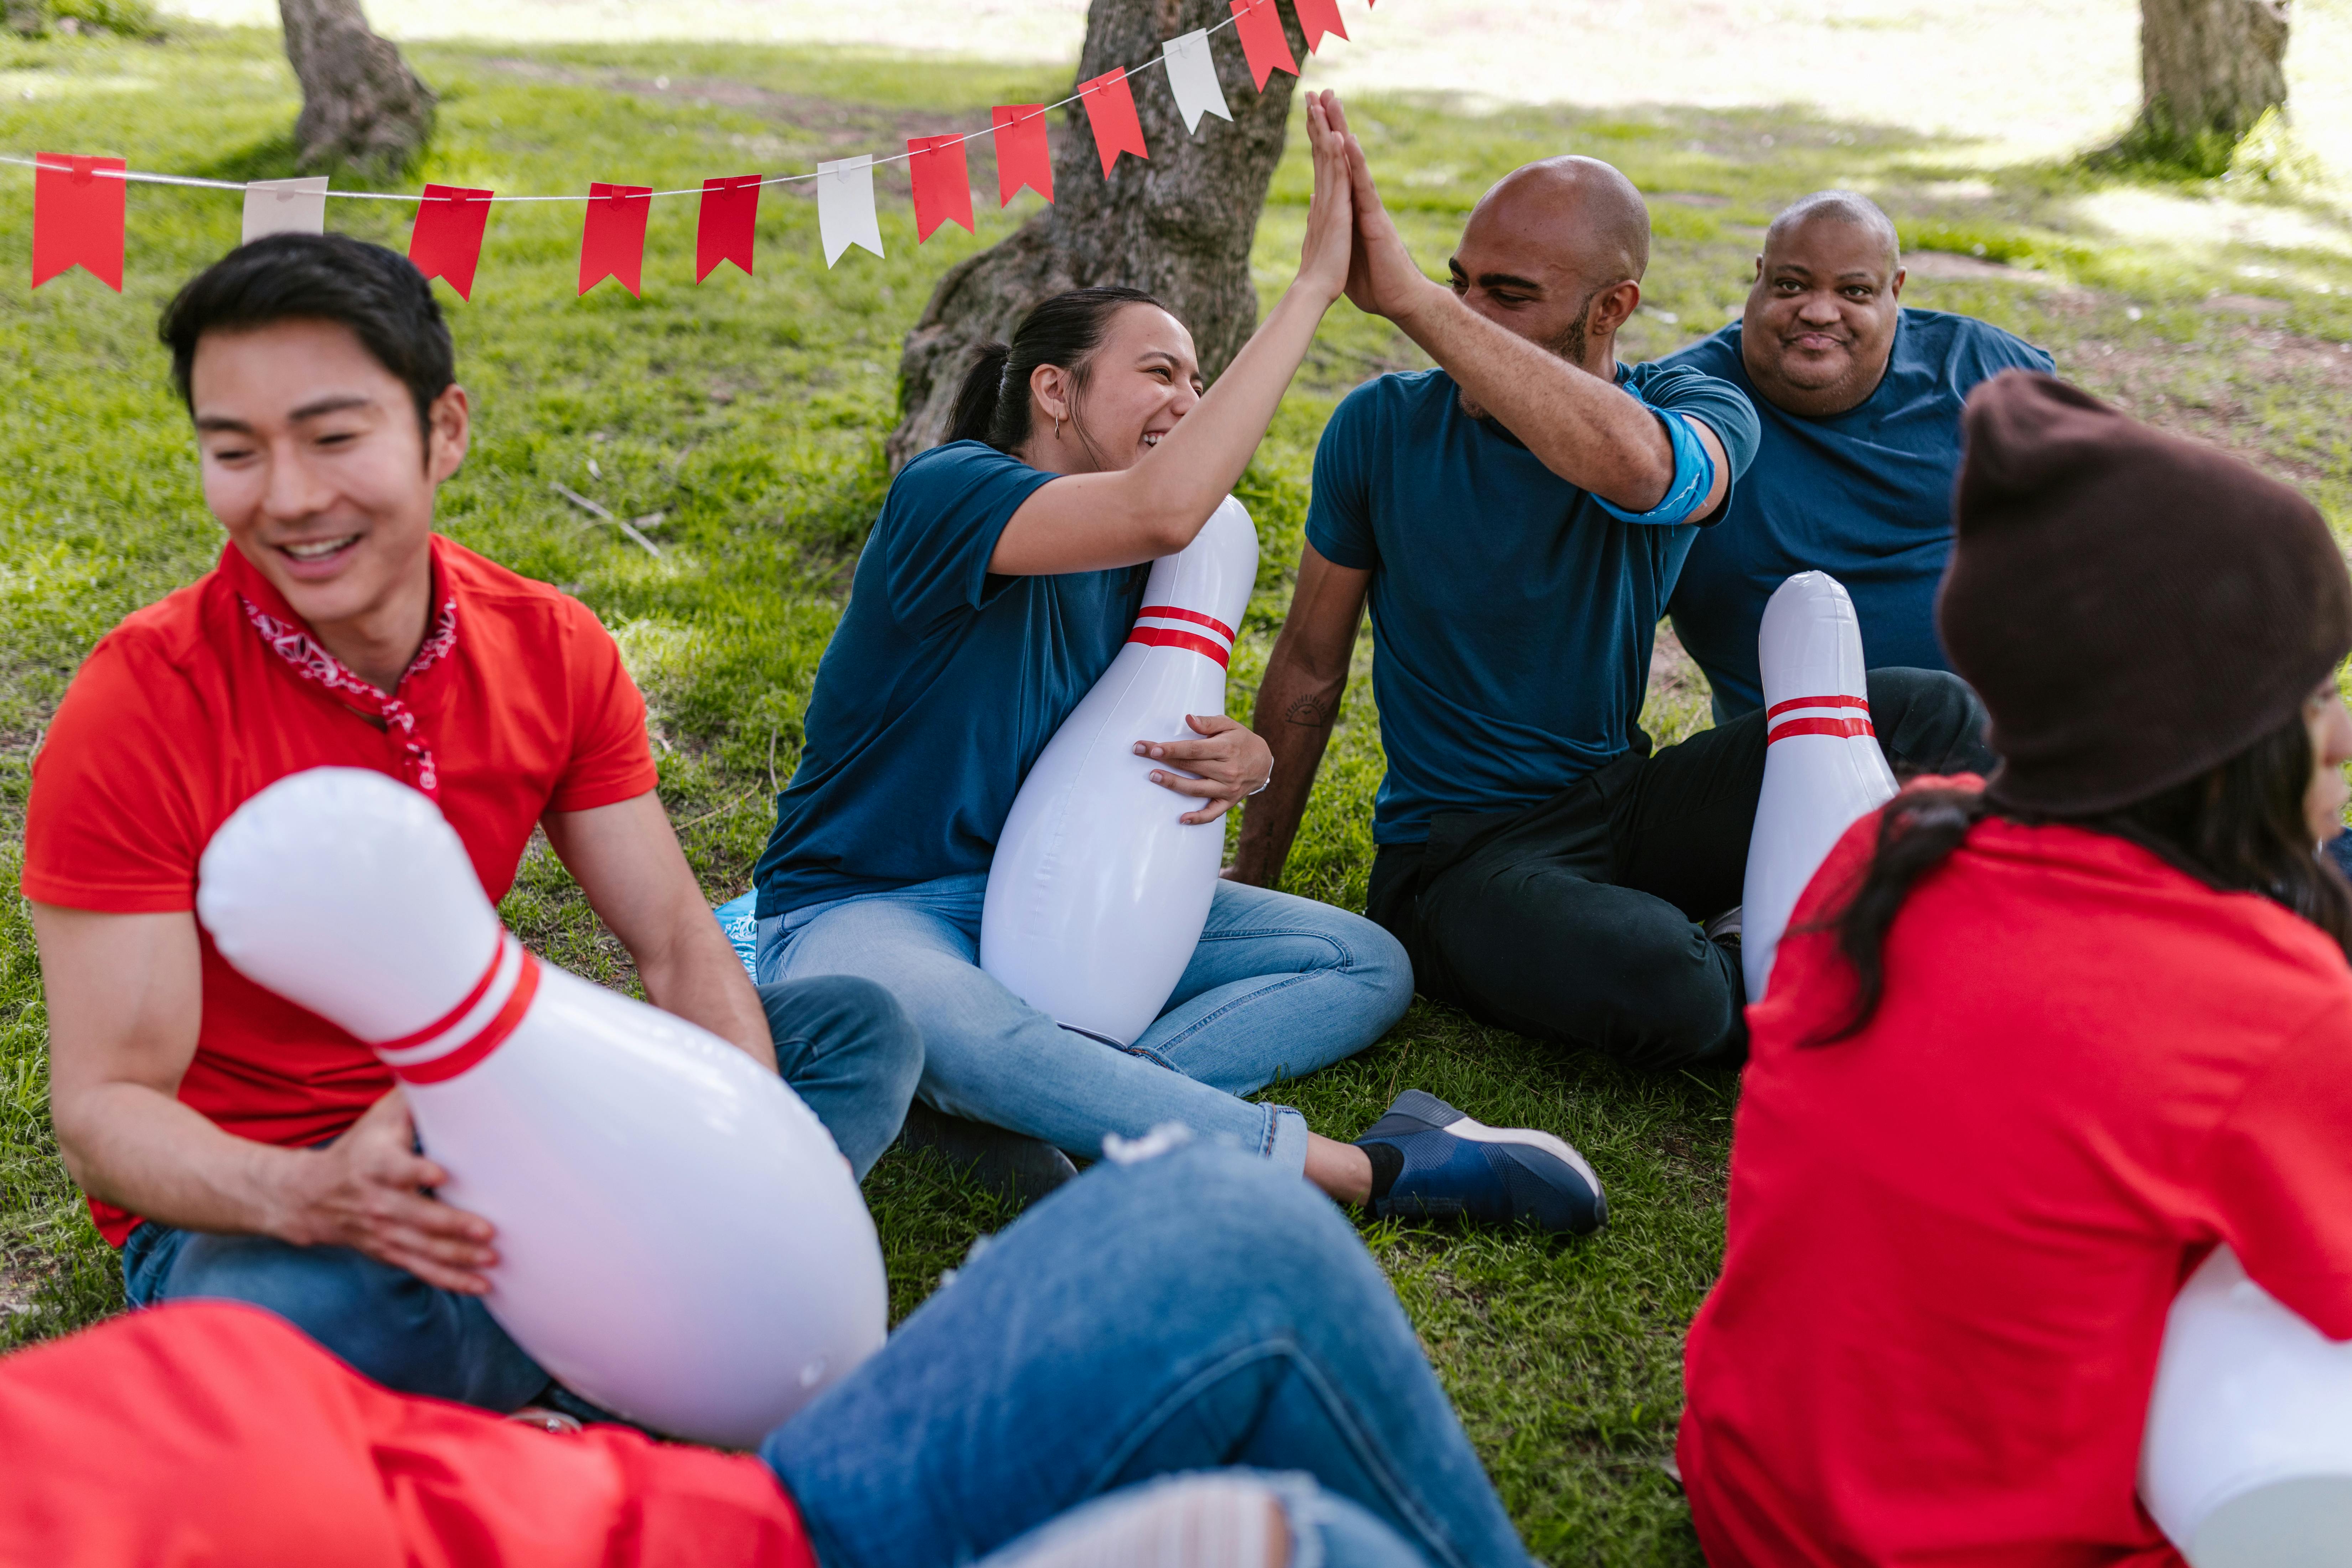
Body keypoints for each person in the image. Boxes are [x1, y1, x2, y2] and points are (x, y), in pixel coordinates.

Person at [21, 233, 922, 1419]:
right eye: (234, 451)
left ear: (443, 431)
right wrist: (313, 1194)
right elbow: (105, 1111)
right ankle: (609, 1363)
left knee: (851, 1032)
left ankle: (567, 1359)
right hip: (277, 1202)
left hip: (502, 1101)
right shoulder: (139, 705)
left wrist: (738, 1163)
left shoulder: (547, 645)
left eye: (334, 437)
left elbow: (674, 941)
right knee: (268, 1325)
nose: (286, 497)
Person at [748, 91, 1602, 1235]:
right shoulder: (952, 494)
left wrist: (1237, 759)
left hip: (1055, 900)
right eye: (1160, 373)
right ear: (1054, 391)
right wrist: (1313, 287)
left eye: (1197, 380)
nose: (1187, 403)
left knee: (1361, 962)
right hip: (870, 903)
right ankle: (1373, 1172)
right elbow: (1163, 508)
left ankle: (1071, 1108)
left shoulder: (1150, 565)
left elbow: (1128, 732)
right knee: (942, 1026)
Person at [1678, 373, 2352, 1566]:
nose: (2344, 734)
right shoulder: (2276, 1004)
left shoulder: (1892, 846)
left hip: (1755, 1506)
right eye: (2315, 697)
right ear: (2209, 743)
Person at [1230, 110, 1994, 1072]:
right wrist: (1254, 875)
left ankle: (1824, 935)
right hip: (1459, 856)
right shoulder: (1381, 427)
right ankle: (1796, 954)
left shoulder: (1695, 408)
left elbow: (1643, 474)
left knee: (1928, 711)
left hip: (1620, 803)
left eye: (1505, 296)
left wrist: (1420, 305)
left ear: (1608, 309)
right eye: (1460, 283)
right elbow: (1307, 664)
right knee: (1661, 978)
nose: (1463, 315)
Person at [2, 1139, 1547, 1568]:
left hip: (704, 1504)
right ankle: (1367, 1161)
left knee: (1221, 1223)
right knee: (1315, 1541)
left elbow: (683, 933)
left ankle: (1339, 1157)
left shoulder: (529, 648)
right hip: (762, 1535)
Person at [1663, 189, 2053, 718]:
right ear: (1758, 277)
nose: (1819, 312)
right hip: (1794, 760)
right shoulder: (1681, 411)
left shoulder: (1983, 369)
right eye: (1790, 285)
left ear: (1895, 291)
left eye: (1854, 291)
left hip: (2017, 732)